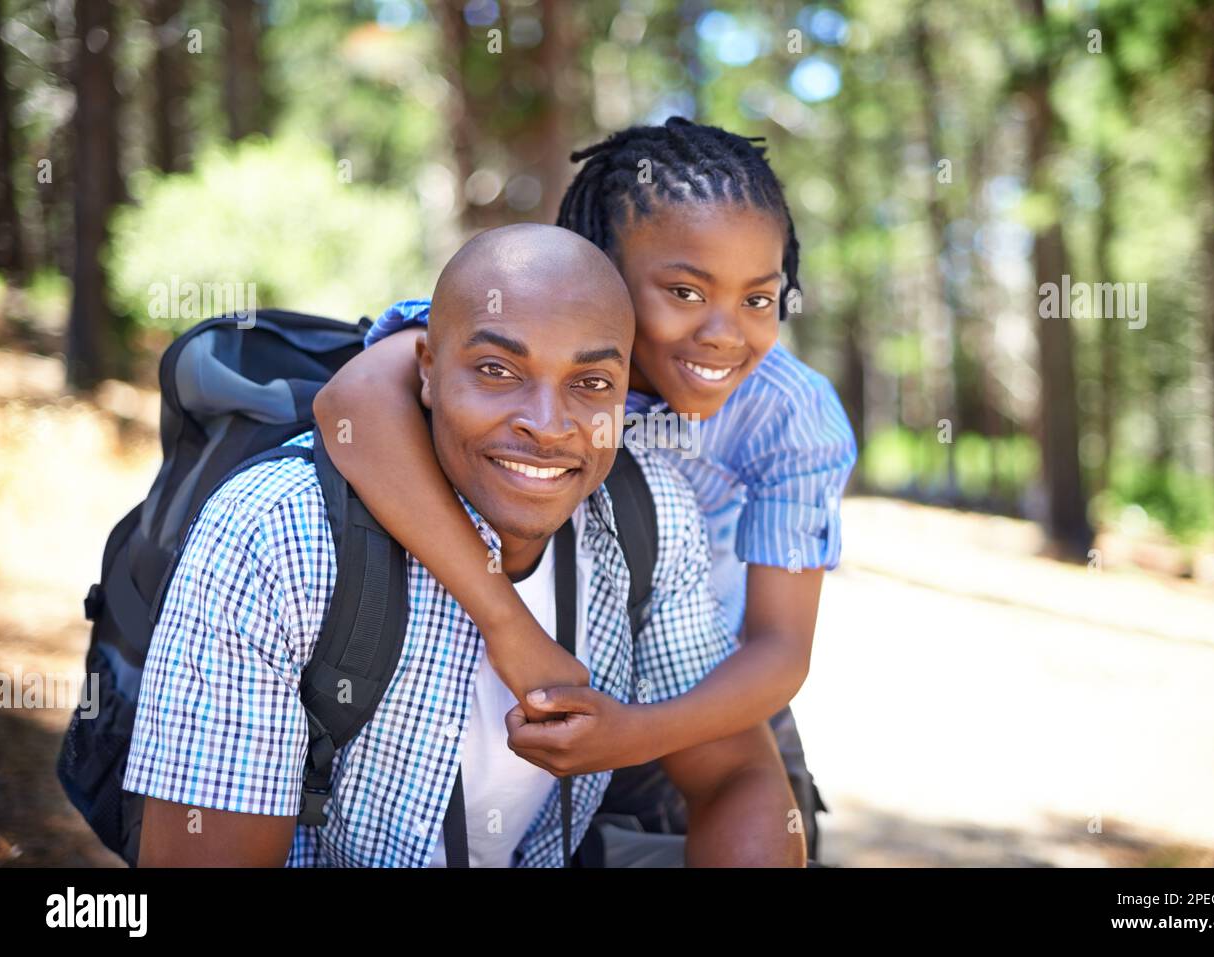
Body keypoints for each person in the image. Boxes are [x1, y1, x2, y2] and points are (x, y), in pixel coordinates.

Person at [122, 224, 804, 867]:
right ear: (425, 367)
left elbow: (737, 772)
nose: (547, 424)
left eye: (591, 383)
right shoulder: (276, 533)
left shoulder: (648, 512)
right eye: (498, 370)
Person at [313, 117, 857, 856]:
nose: (725, 333)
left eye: (758, 299)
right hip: (543, 653)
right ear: (598, 273)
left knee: (774, 824)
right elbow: (353, 405)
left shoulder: (791, 417)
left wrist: (635, 733)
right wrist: (510, 626)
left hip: (710, 693)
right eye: (685, 291)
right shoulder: (524, 328)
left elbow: (781, 652)